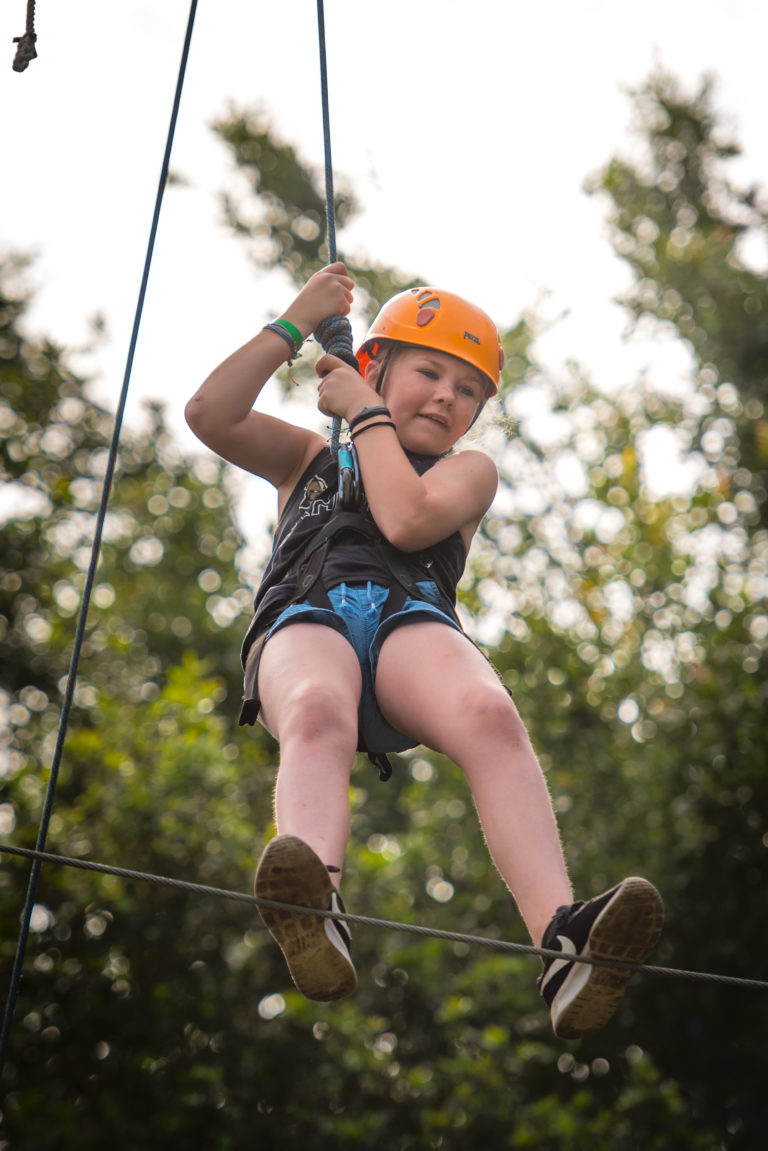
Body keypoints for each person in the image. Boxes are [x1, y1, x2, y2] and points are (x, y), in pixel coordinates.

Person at [185, 262, 663, 1039]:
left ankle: (562, 940)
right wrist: (295, 321)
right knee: (316, 708)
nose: (446, 396)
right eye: (430, 373)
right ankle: (316, 904)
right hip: (309, 622)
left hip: (409, 630)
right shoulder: (305, 457)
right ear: (375, 363)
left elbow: (406, 521)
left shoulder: (469, 472)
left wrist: (365, 411)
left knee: (488, 712)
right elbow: (209, 412)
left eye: (468, 389)